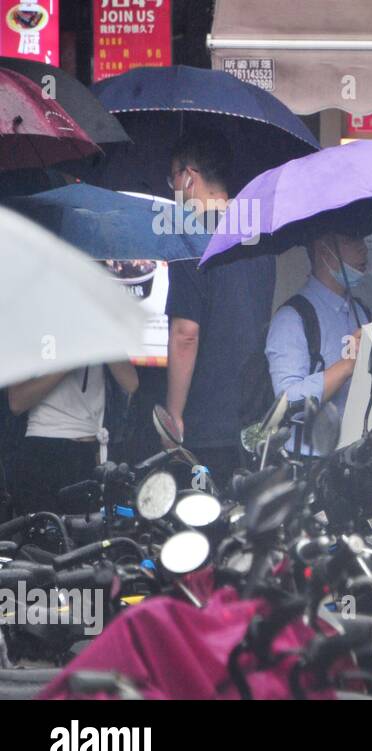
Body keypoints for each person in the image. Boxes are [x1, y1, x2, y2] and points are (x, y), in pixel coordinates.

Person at [163, 128, 276, 486]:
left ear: (188, 177)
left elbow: (185, 333)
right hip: (253, 418)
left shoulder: (191, 237)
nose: (172, 190)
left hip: (204, 421)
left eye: (172, 179)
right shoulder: (259, 237)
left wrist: (174, 415)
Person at [264, 228, 372, 450]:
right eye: (351, 239)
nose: (363, 248)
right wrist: (346, 366)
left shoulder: (360, 312)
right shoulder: (292, 319)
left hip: (355, 461)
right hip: (309, 468)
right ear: (324, 249)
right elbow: (285, 402)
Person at [6, 362, 138, 514]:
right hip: (44, 445)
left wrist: (103, 342)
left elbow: (131, 383)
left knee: (90, 530)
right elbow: (16, 402)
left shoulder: (101, 339)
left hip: (88, 449)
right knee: (45, 528)